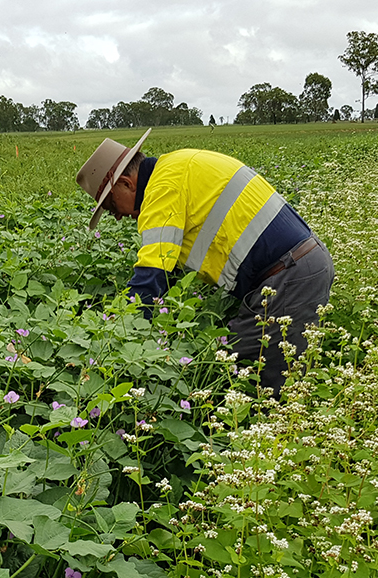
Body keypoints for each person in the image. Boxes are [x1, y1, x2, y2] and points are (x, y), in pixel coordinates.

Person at [76, 129, 334, 396]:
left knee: (238, 377)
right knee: (239, 372)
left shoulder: (161, 189)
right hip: (298, 267)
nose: (117, 216)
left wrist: (120, 335)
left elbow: (151, 275)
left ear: (127, 184)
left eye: (110, 204)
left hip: (290, 276)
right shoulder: (176, 165)